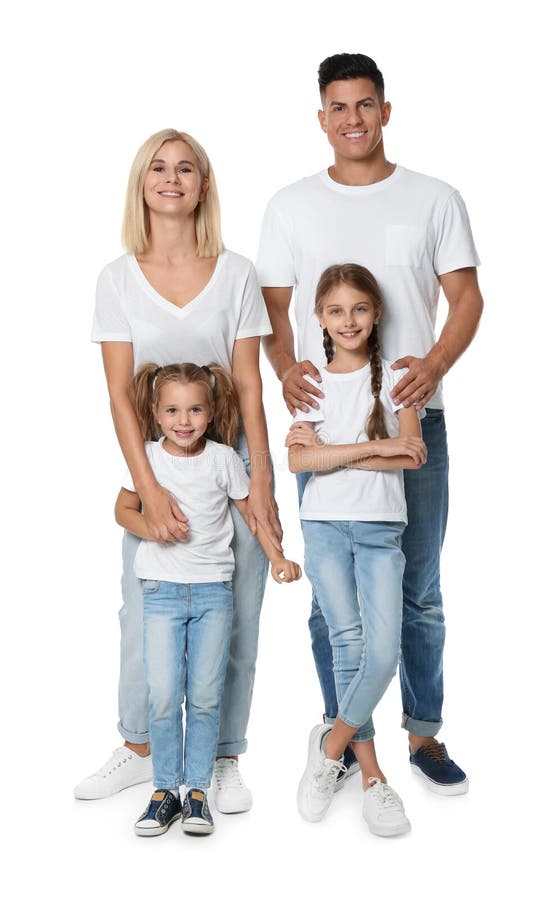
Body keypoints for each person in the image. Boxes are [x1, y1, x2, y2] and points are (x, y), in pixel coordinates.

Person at [257, 53, 483, 794]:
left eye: (365, 104)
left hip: (414, 422)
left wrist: (437, 364)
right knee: (334, 605)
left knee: (419, 591)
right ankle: (350, 742)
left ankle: (423, 736)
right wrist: (286, 367)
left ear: (386, 110)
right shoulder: (292, 205)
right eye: (338, 107)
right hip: (324, 433)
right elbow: (274, 314)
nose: (352, 119)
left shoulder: (434, 197)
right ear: (321, 117)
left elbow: (467, 298)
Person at [76, 129, 282, 811]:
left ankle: (221, 755)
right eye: (157, 169)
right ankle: (140, 749)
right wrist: (151, 486)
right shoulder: (117, 278)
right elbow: (116, 393)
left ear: (204, 185)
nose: (171, 178)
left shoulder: (237, 272)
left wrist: (265, 485)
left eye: (185, 168)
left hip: (234, 456)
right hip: (157, 461)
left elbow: (251, 387)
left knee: (238, 610)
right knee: (144, 609)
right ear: (142, 185)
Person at [115, 361, 300, 836]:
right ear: (156, 415)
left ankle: (196, 792)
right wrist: (152, 527)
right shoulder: (149, 459)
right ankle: (164, 791)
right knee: (161, 694)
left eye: (195, 409)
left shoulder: (222, 459)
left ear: (212, 411)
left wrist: (278, 557)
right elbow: (122, 507)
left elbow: (251, 513)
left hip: (214, 595)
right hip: (160, 594)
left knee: (202, 695)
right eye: (173, 410)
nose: (184, 420)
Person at [287, 264, 426, 834]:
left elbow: (414, 453)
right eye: (336, 311)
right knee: (347, 645)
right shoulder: (310, 382)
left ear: (376, 314)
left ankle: (331, 745)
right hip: (323, 525)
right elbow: (298, 461)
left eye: (359, 309)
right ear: (320, 318)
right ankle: (372, 776)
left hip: (379, 526)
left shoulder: (397, 376)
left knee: (384, 651)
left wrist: (335, 452)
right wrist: (379, 447)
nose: (349, 321)